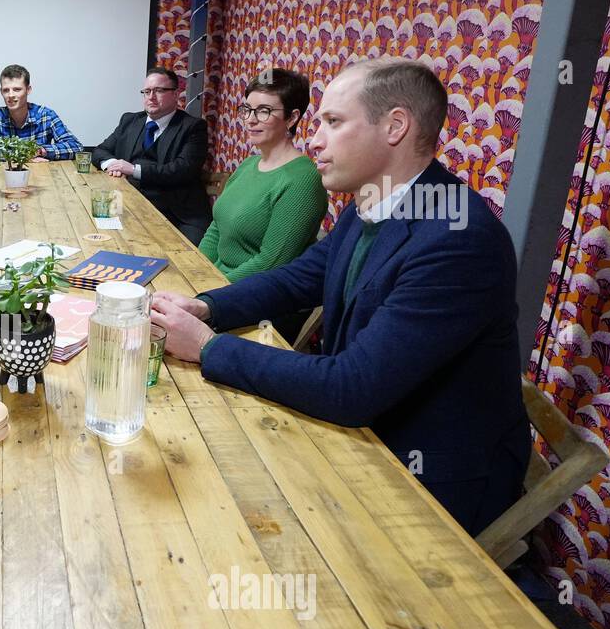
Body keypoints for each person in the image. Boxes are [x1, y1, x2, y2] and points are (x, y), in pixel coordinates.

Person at [148, 58, 530, 536]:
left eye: (333, 122)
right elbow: (297, 278)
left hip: (427, 481)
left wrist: (207, 346)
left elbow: (351, 388)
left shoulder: (459, 239)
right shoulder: (376, 197)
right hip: (362, 428)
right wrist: (206, 306)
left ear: (395, 127)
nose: (314, 139)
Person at [198, 68, 328, 281]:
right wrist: (194, 273)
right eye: (247, 109)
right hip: (215, 284)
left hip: (249, 298)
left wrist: (207, 293)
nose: (250, 119)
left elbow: (270, 263)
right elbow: (217, 230)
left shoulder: (302, 180)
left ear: (292, 118)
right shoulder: (248, 164)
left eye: (264, 111)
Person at [92, 67, 212, 245]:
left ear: (175, 94)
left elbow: (183, 170)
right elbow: (100, 151)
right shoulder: (130, 120)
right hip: (128, 206)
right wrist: (112, 164)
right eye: (147, 91)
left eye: (159, 91)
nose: (151, 97)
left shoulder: (193, 127)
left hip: (177, 213)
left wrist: (133, 170)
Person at [0, 64, 81, 161]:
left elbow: (76, 147)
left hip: (41, 176)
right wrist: (20, 155)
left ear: (28, 90)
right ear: (1, 92)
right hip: (3, 176)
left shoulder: (46, 115)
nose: (10, 95)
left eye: (17, 89)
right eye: (6, 90)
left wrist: (39, 151)